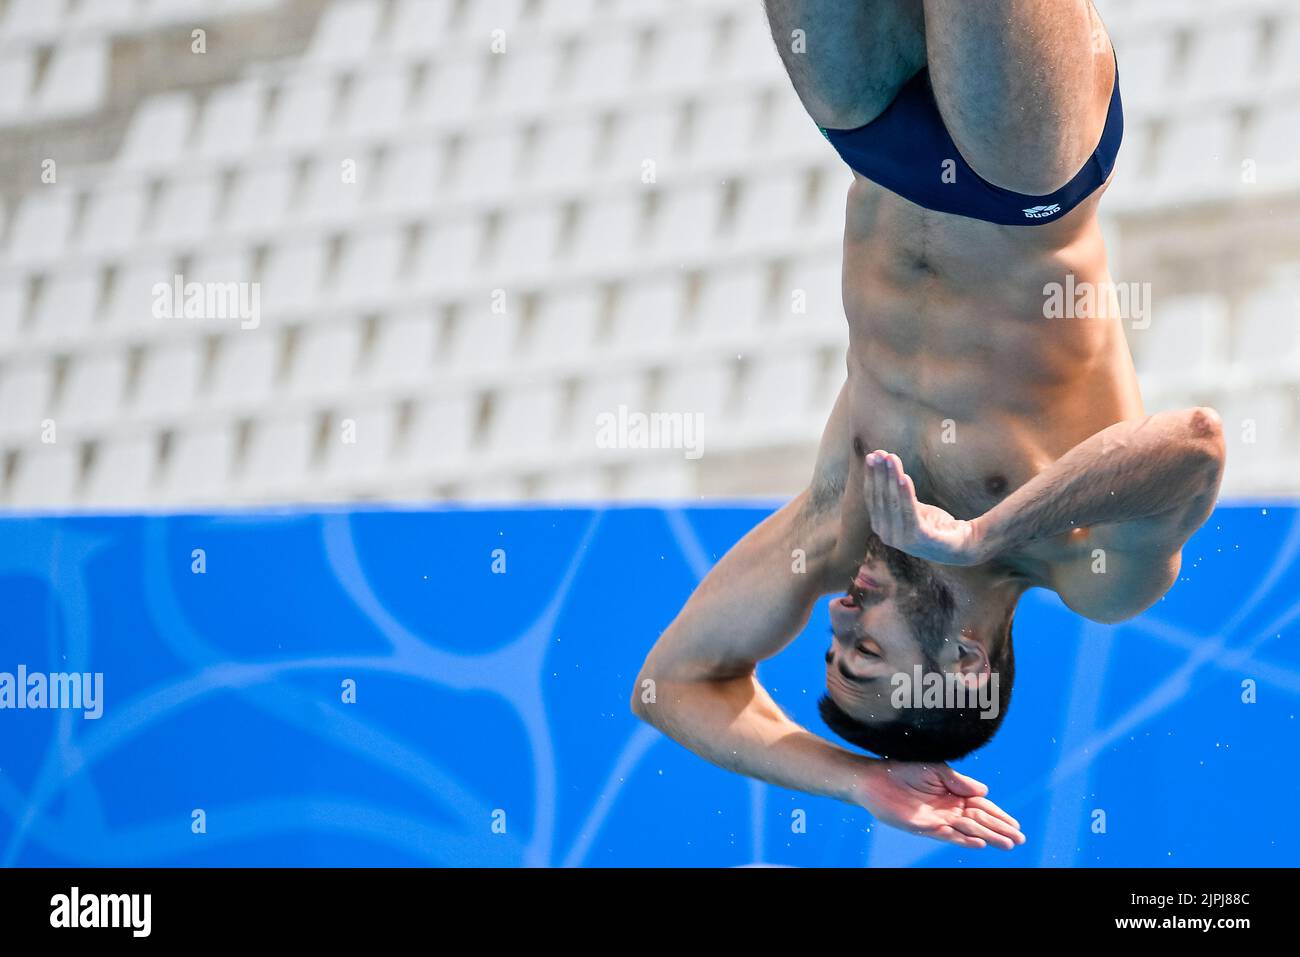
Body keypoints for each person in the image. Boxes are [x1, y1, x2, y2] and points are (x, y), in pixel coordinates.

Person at [630, 0, 1226, 850]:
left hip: (875, 139)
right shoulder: (1093, 574)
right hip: (1025, 179)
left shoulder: (839, 522)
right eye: (865, 654)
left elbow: (670, 687)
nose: (837, 617)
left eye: (830, 647)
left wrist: (862, 782)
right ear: (965, 665)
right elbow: (1197, 444)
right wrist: (985, 529)